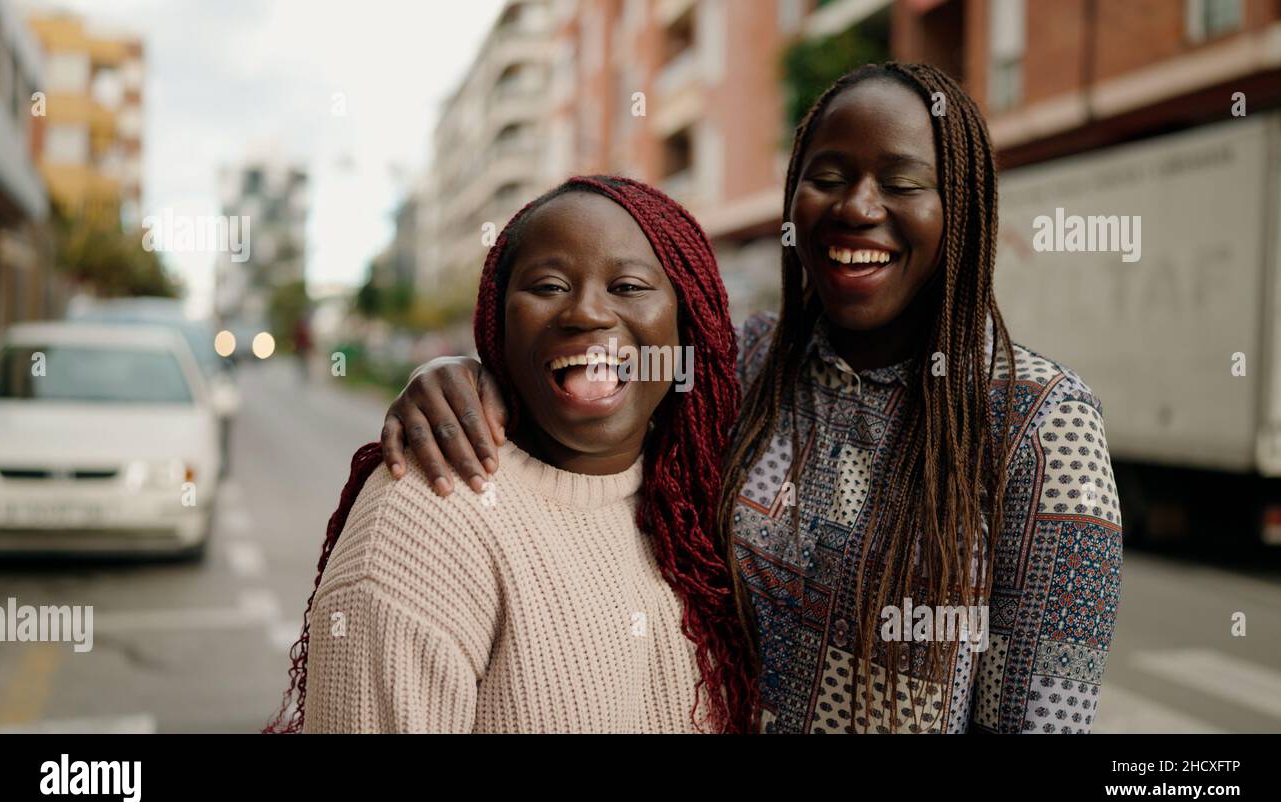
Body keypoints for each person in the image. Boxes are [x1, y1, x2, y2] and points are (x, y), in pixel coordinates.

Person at [377, 62, 1124, 733]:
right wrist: (459, 375)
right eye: (828, 176)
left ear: (959, 209)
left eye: (900, 183)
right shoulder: (745, 363)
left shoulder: (1041, 424)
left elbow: (1043, 718)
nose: (857, 207)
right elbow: (589, 366)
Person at [263, 176, 755, 733]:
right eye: (548, 286)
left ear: (687, 325)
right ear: (497, 324)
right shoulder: (427, 515)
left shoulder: (701, 502)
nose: (587, 313)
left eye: (629, 287)